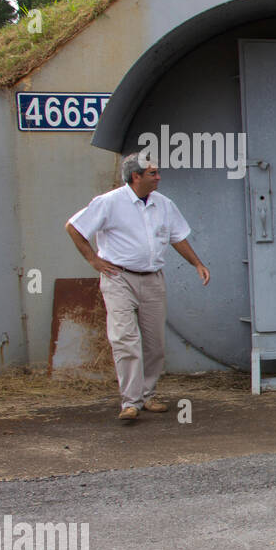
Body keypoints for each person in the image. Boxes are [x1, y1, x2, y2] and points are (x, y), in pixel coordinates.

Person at [65, 152, 210, 422]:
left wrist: (197, 264)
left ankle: (148, 395)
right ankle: (130, 402)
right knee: (125, 339)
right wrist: (93, 259)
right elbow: (74, 227)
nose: (158, 177)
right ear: (136, 176)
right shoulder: (109, 203)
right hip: (119, 277)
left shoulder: (163, 204)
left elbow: (178, 237)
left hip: (153, 278)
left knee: (155, 342)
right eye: (153, 173)